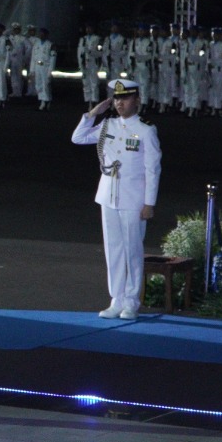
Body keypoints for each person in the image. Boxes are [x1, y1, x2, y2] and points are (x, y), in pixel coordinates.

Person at [71, 78, 159, 320]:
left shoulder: (146, 129)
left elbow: (153, 169)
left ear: (137, 101)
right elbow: (77, 138)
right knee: (114, 250)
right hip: (108, 195)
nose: (120, 103)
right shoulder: (107, 125)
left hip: (133, 199)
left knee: (132, 250)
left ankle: (131, 301)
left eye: (125, 98)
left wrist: (149, 203)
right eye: (117, 98)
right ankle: (116, 298)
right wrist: (93, 113)